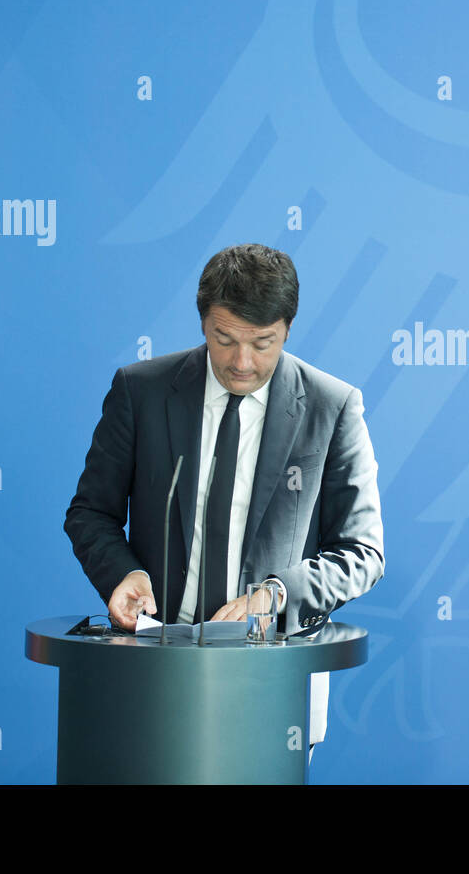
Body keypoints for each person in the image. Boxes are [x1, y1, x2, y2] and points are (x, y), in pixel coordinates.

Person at [64, 243, 384, 749]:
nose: (242, 362)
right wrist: (125, 573)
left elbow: (362, 553)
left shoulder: (332, 407)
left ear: (287, 329)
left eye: (263, 343)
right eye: (225, 338)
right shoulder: (139, 391)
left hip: (274, 669)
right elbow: (90, 513)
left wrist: (276, 595)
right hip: (158, 657)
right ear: (202, 324)